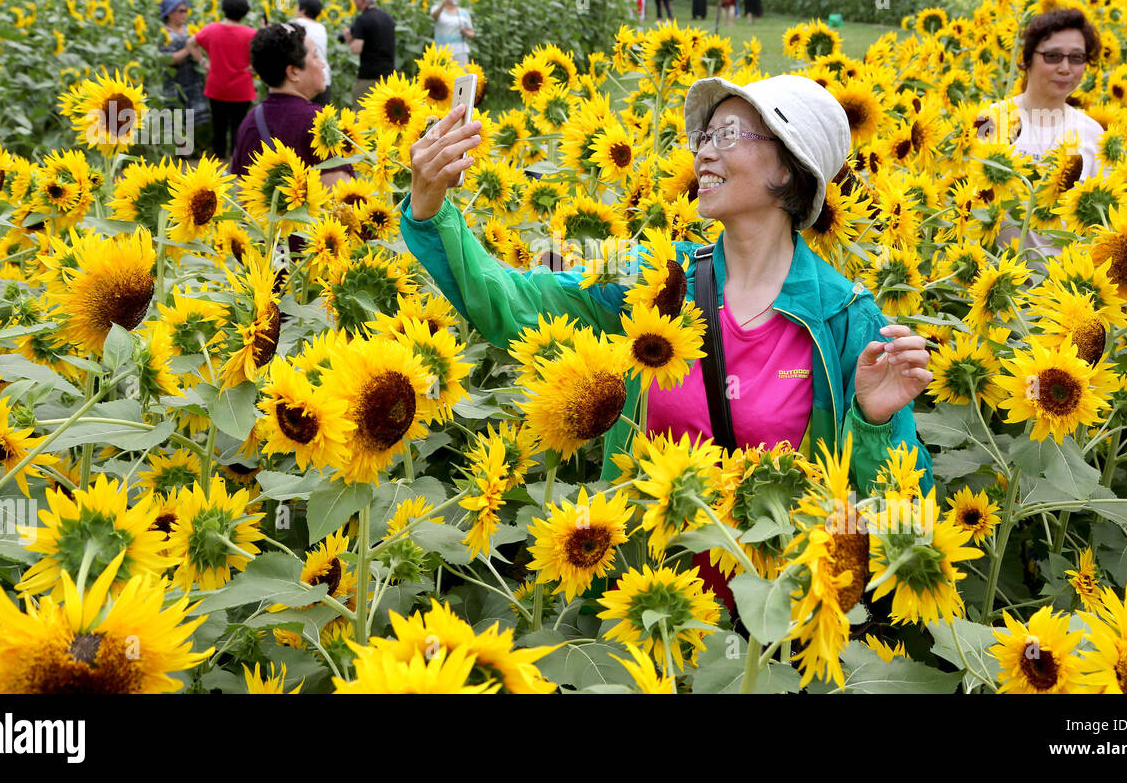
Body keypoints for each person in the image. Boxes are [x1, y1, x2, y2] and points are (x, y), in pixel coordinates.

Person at [401, 76, 935, 608]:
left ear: (788, 166)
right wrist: (430, 213)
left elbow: (907, 525)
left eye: (729, 135)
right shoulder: (653, 273)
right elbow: (517, 302)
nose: (703, 152)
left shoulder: (846, 320)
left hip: (770, 632)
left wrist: (876, 425)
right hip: (644, 607)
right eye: (705, 136)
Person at [995, 8, 1105, 258]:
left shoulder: (1093, 134)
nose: (1066, 68)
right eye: (1053, 56)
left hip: (1063, 289)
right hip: (994, 286)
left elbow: (1103, 225)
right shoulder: (991, 121)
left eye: (1077, 58)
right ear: (1027, 59)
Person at [230, 22, 352, 190]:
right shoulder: (317, 123)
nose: (323, 64)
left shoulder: (250, 122)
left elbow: (243, 196)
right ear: (293, 72)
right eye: (316, 55)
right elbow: (341, 194)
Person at [187, 0, 256, 162]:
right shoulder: (251, 34)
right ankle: (236, 162)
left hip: (217, 86)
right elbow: (263, 53)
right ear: (244, 13)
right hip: (241, 88)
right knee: (238, 127)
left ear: (224, 9)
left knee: (218, 126)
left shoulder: (212, 29)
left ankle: (218, 161)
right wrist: (254, 68)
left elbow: (190, 42)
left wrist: (203, 61)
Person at [157, 0, 210, 152]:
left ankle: (188, 150)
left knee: (191, 117)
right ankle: (178, 152)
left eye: (185, 10)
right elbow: (168, 59)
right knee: (176, 117)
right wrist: (189, 48)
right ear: (169, 13)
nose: (184, 14)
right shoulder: (164, 34)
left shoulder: (190, 30)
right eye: (180, 11)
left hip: (193, 79)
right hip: (174, 80)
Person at [340, 0, 395, 106]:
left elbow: (356, 49)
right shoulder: (387, 17)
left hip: (369, 78)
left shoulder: (362, 20)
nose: (353, 1)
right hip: (389, 77)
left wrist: (348, 38)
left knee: (362, 115)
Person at [291, 0, 332, 107]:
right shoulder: (321, 28)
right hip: (324, 79)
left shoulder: (295, 24)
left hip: (305, 83)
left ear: (302, 9)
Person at [430, 0, 475, 65]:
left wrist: (465, 32)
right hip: (441, 53)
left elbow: (472, 33)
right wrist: (443, 3)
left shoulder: (463, 12)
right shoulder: (436, 9)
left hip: (460, 52)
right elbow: (434, 16)